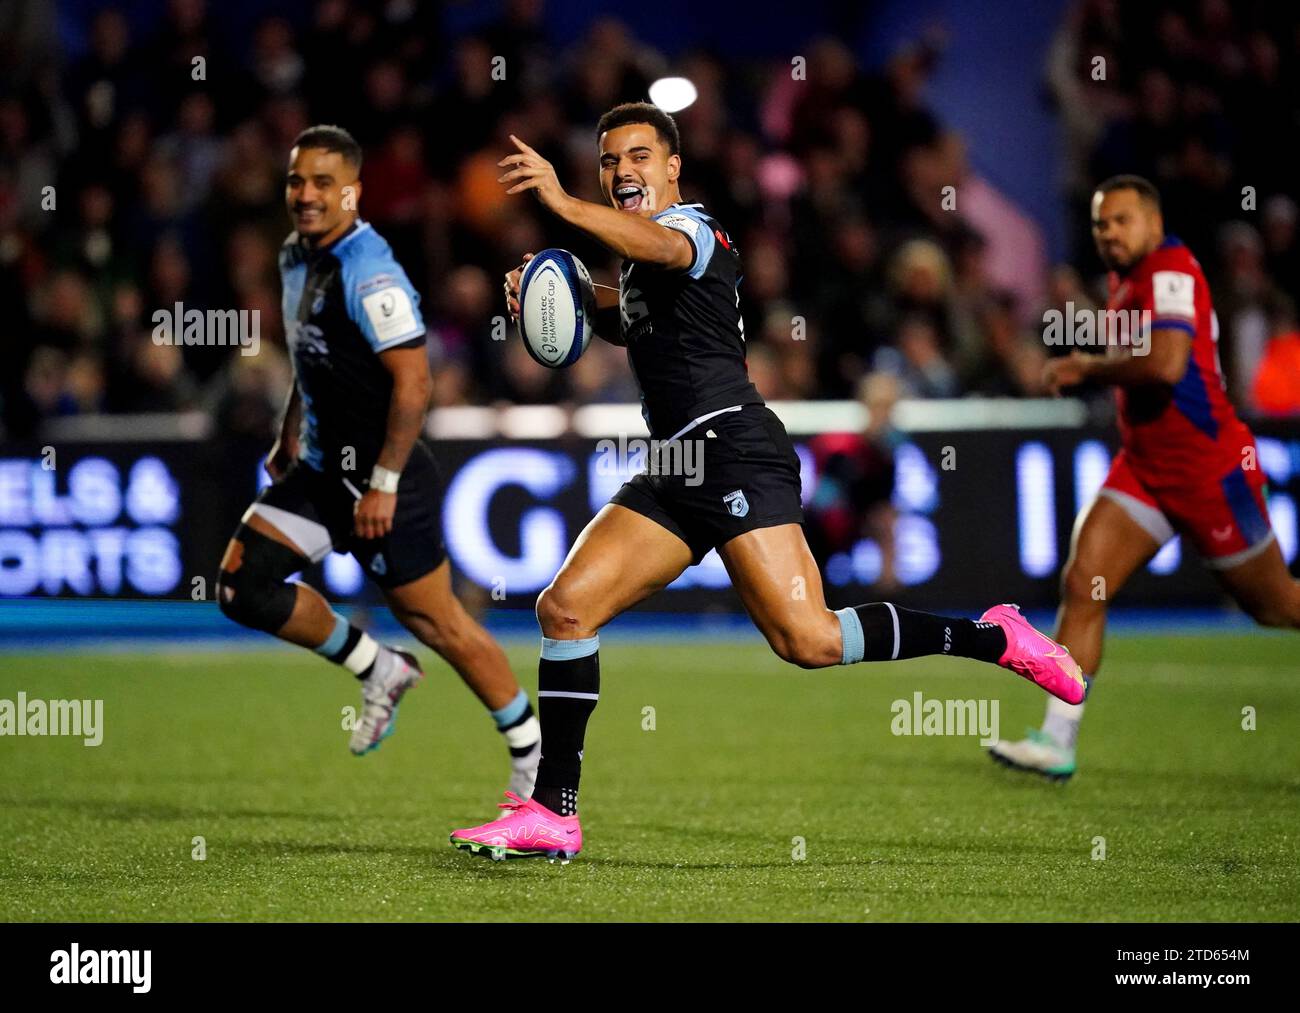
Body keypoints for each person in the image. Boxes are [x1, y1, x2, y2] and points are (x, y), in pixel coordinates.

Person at [449, 103, 1084, 862]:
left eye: (640, 156)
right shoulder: (646, 259)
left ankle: (991, 635)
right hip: (678, 466)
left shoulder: (695, 230)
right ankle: (553, 810)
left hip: (737, 450)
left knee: (809, 639)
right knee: (566, 606)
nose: (624, 171)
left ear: (674, 167)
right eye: (611, 161)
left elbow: (655, 248)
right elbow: (632, 318)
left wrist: (560, 205)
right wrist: (567, 301)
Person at [216, 125, 540, 797]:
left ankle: (531, 757)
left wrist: (384, 483)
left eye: (323, 183)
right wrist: (288, 436)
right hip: (320, 469)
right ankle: (377, 666)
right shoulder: (293, 256)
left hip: (384, 482)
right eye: (296, 181)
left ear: (353, 193)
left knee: (440, 624)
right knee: (241, 586)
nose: (306, 194)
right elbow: (313, 360)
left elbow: (415, 383)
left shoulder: (372, 270)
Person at [990, 175, 1299, 780]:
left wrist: (1086, 363)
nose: (1107, 233)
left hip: (1209, 470)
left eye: (1121, 220)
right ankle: (1057, 742)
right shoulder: (1128, 280)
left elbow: (1165, 363)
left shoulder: (1169, 269)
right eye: (1101, 223)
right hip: (1146, 469)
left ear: (1154, 223)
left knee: (1277, 606)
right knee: (1085, 583)